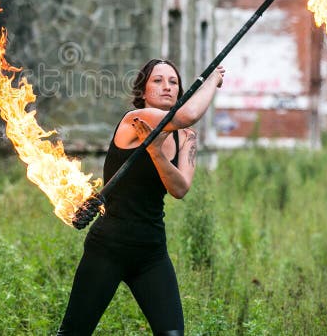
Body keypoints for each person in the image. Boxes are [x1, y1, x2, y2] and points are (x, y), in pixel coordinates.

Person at [57, 59, 225, 336]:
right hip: (108, 246)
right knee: (74, 332)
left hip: (151, 251)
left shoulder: (187, 138)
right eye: (157, 81)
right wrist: (212, 81)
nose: (167, 86)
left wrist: (157, 153)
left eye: (173, 82)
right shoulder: (135, 121)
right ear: (143, 92)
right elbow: (189, 113)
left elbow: (180, 189)